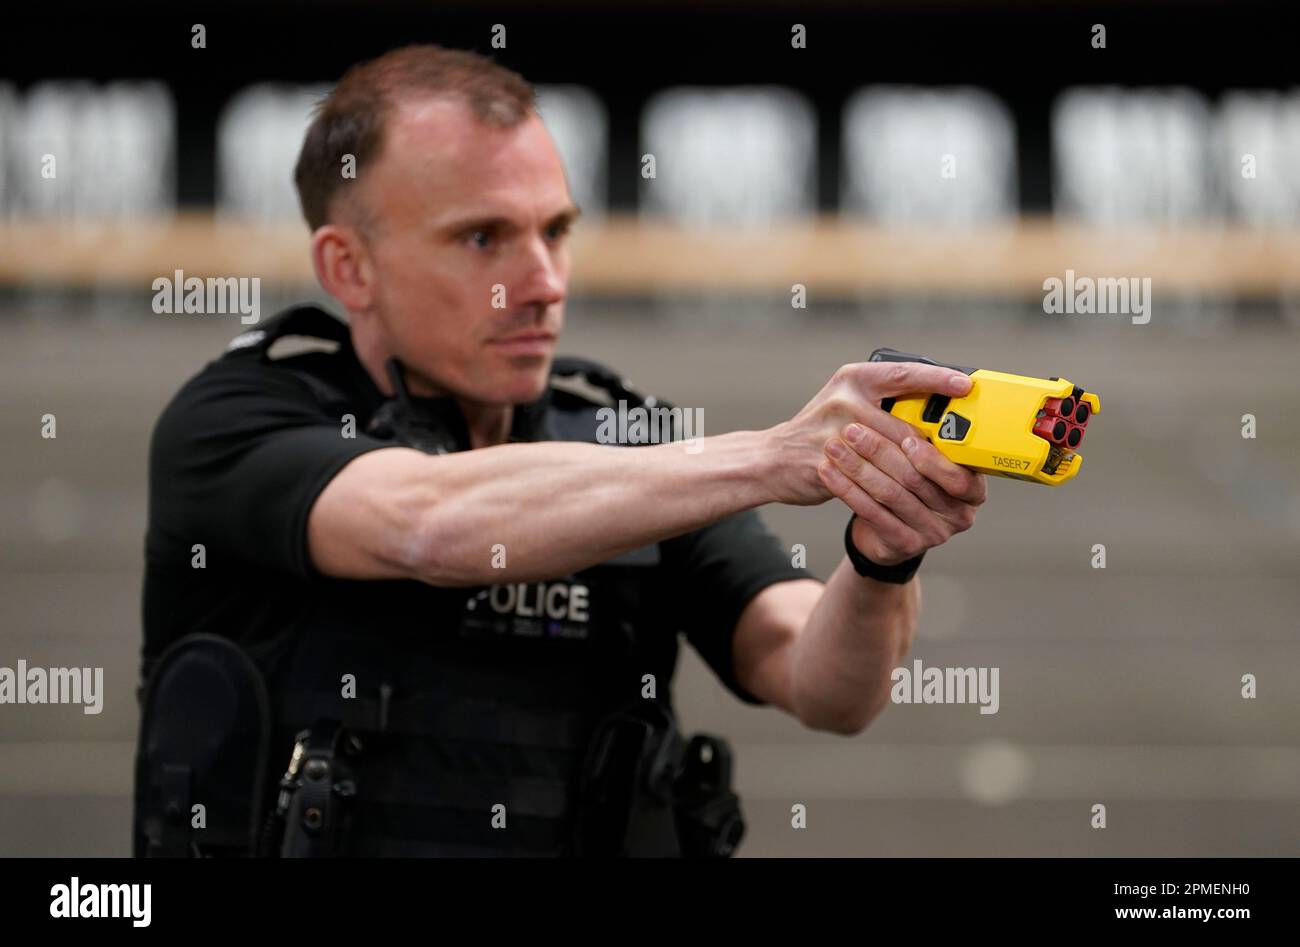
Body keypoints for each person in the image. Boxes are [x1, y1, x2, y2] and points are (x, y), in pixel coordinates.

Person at [135, 45, 987, 858]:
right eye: (483, 238)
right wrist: (773, 457)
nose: (543, 281)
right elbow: (430, 522)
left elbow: (823, 683)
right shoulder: (236, 420)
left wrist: (880, 557)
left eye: (557, 230)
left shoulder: (627, 444)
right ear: (349, 268)